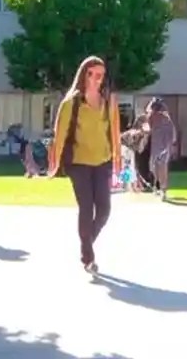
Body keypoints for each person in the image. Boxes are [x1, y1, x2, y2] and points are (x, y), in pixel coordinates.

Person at [49, 56, 122, 274]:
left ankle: (86, 242)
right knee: (86, 207)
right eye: (95, 74)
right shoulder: (72, 102)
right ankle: (88, 257)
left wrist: (117, 158)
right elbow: (59, 135)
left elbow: (115, 132)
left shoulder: (108, 100)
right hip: (78, 162)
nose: (99, 78)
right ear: (85, 74)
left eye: (102, 74)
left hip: (102, 161)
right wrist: (54, 164)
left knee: (104, 210)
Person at [142, 98, 177, 200]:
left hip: (157, 146)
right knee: (162, 167)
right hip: (165, 146)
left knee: (156, 167)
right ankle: (162, 189)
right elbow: (173, 134)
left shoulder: (152, 117)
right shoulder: (167, 118)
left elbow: (147, 129)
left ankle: (159, 188)